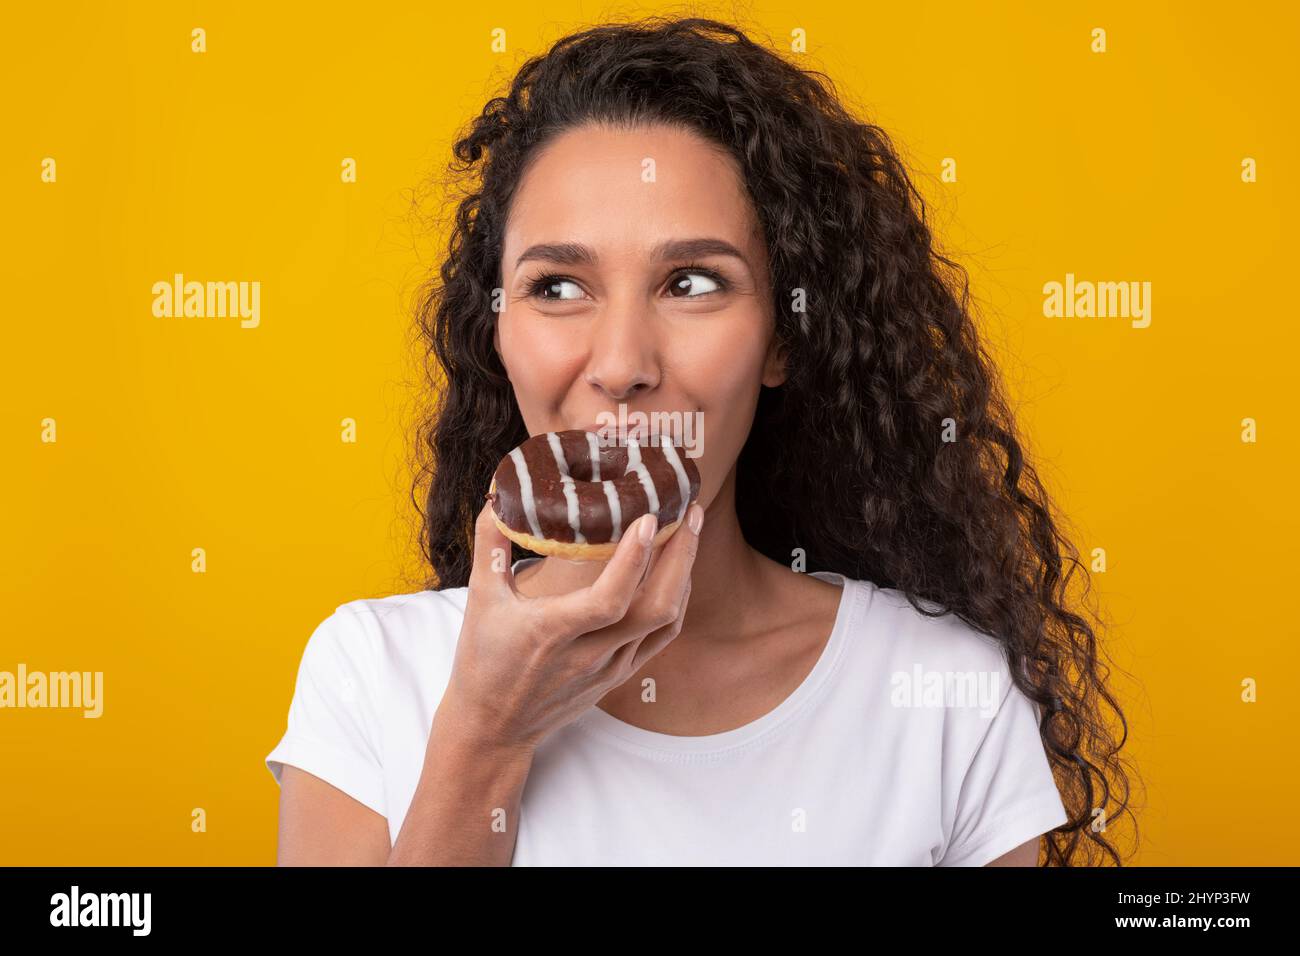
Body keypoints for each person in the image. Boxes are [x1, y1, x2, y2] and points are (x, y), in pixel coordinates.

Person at [266, 16, 1134, 866]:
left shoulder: (946, 696)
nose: (621, 365)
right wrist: (486, 733)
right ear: (496, 328)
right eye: (558, 286)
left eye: (691, 283)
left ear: (782, 338)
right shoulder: (372, 672)